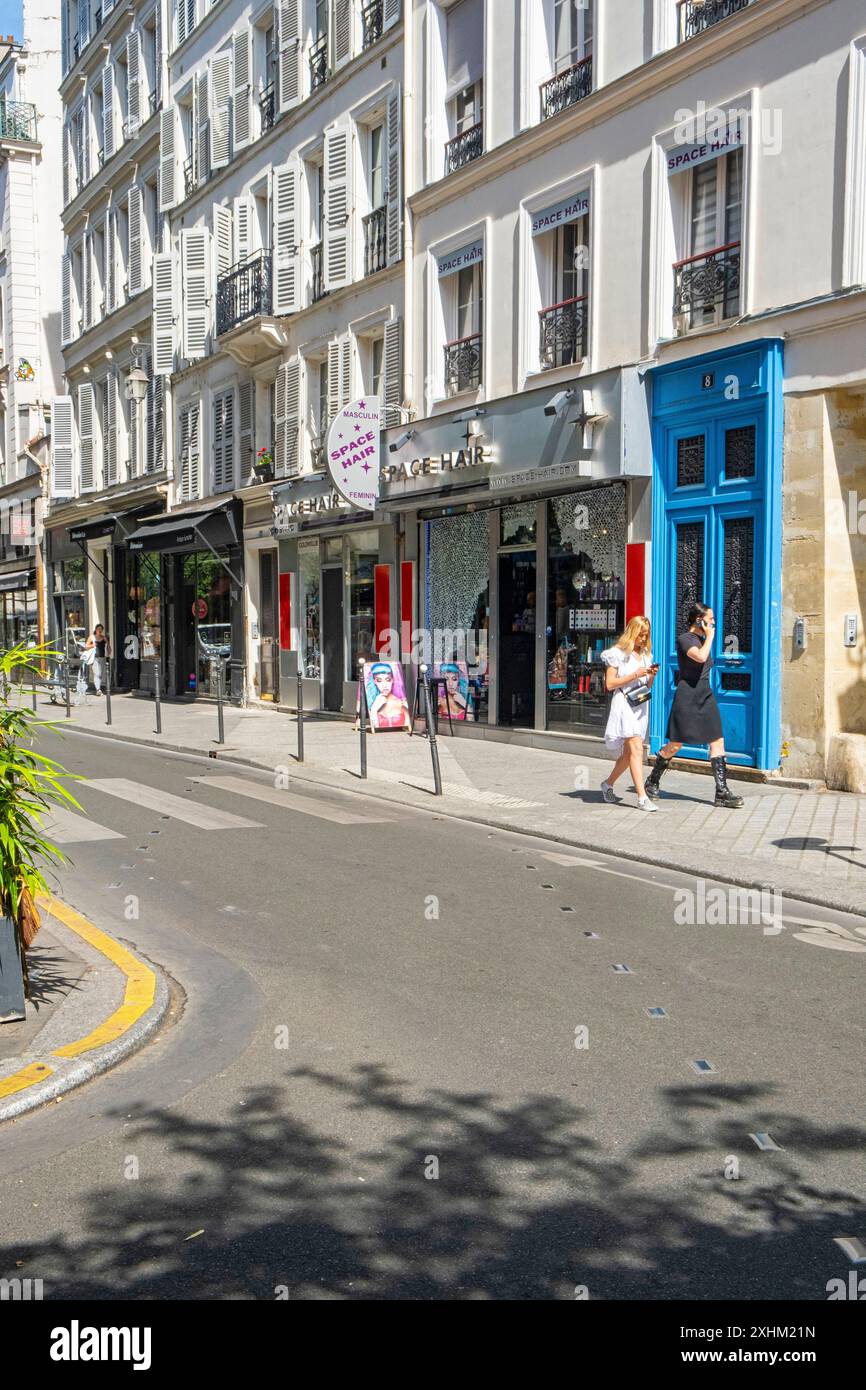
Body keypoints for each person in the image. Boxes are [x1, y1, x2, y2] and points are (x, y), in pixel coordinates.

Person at [644, 602, 744, 808]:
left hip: (705, 695)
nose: (714, 623)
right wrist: (711, 638)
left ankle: (721, 792)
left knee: (717, 741)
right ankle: (652, 780)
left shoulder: (701, 639)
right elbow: (699, 657)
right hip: (687, 696)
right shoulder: (685, 639)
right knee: (676, 744)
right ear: (699, 620)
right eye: (711, 619)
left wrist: (707, 638)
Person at [599, 616, 659, 812]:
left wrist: (650, 676)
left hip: (640, 704)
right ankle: (642, 798)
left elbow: (646, 684)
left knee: (629, 755)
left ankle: (607, 784)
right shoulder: (616, 654)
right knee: (636, 749)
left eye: (646, 635)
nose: (643, 639)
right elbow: (609, 684)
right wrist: (635, 674)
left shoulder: (646, 655)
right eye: (640, 635)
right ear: (632, 632)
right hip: (624, 703)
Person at [366, 662, 410, 730]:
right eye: (379, 680)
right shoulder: (374, 701)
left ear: (392, 680)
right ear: (375, 682)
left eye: (388, 680)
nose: (384, 685)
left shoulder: (401, 702)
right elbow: (375, 726)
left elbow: (407, 724)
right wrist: (374, 709)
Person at [83, 623, 111, 695]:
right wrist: (92, 645)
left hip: (102, 657)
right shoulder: (92, 637)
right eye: (98, 629)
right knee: (97, 673)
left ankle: (99, 688)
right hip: (94, 658)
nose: (100, 631)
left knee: (101, 674)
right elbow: (86, 646)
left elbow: (108, 646)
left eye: (101, 629)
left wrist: (109, 652)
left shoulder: (104, 638)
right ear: (96, 630)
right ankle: (98, 690)